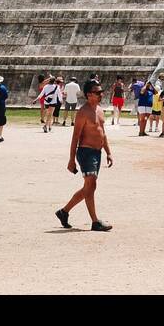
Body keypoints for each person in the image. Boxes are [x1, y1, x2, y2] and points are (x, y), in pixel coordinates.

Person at [56, 79, 113, 232]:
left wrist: (108, 152)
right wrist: (71, 159)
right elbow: (75, 137)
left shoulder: (100, 110)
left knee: (89, 187)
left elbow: (103, 133)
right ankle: (95, 222)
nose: (101, 94)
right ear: (89, 95)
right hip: (86, 152)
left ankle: (64, 211)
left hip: (97, 152)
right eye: (98, 92)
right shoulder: (83, 112)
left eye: (101, 92)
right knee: (91, 184)